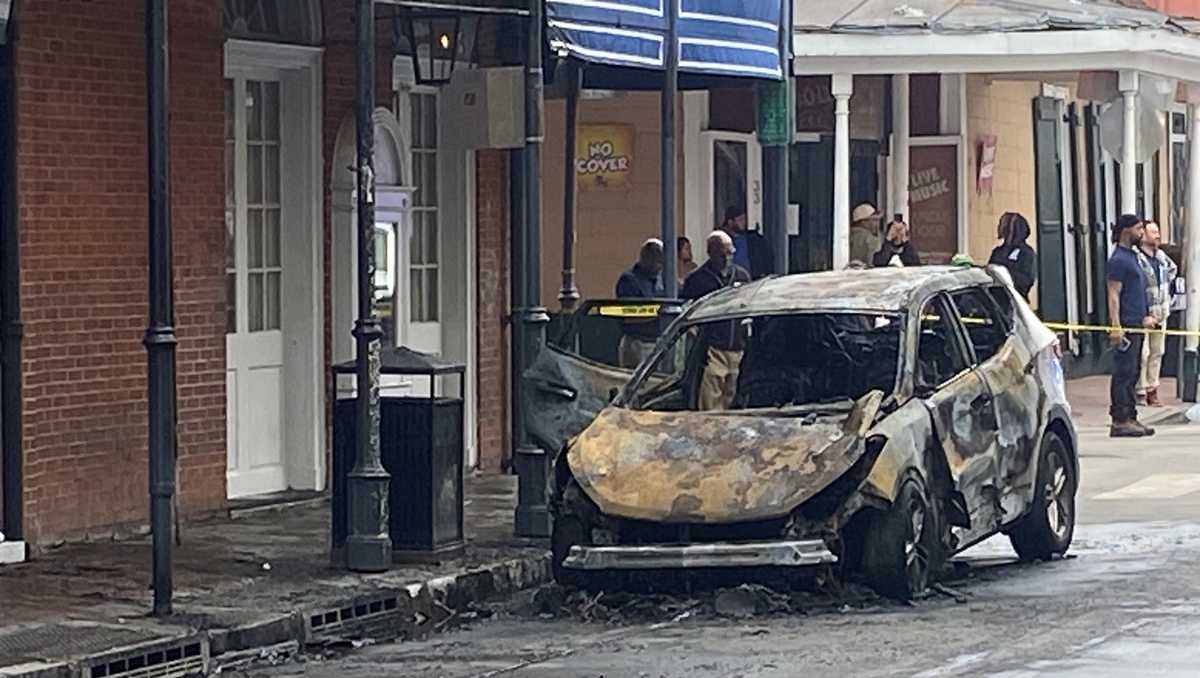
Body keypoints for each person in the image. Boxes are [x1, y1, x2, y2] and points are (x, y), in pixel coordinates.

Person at [682, 231, 751, 410]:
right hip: (712, 349)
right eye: (723, 254)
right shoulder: (697, 280)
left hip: (738, 348)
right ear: (711, 252)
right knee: (710, 401)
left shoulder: (742, 276)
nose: (728, 258)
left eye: (731, 253)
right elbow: (686, 311)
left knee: (732, 396)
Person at [1106, 214, 1157, 438]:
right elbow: (1113, 294)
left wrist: (1146, 314)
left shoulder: (1133, 257)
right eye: (1138, 229)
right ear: (1126, 231)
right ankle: (1120, 418)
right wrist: (1116, 325)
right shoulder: (1118, 260)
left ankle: (1131, 415)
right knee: (1124, 372)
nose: (1141, 233)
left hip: (1137, 322)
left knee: (1134, 371)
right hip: (1126, 323)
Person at [1136, 221, 1178, 407]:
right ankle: (1140, 390)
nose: (1157, 235)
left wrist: (1165, 294)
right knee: (1143, 353)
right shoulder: (1137, 258)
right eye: (1153, 232)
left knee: (1157, 351)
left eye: (1158, 231)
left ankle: (1153, 388)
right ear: (1143, 235)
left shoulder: (1161, 257)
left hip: (1161, 312)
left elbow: (1172, 270)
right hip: (1144, 313)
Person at [614, 238, 665, 368]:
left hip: (659, 341)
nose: (660, 265)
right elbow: (627, 315)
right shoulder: (629, 280)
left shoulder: (661, 280)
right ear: (646, 257)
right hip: (638, 341)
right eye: (657, 259)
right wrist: (657, 313)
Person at [988, 212, 1037, 300]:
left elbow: (1027, 280)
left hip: (1017, 300)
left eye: (1002, 224)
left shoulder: (1026, 253)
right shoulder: (997, 251)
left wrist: (1004, 274)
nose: (999, 227)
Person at [720, 204, 774, 280]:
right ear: (730, 222)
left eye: (744, 219)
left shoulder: (752, 239)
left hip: (751, 280)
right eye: (740, 220)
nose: (743, 222)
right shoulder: (722, 239)